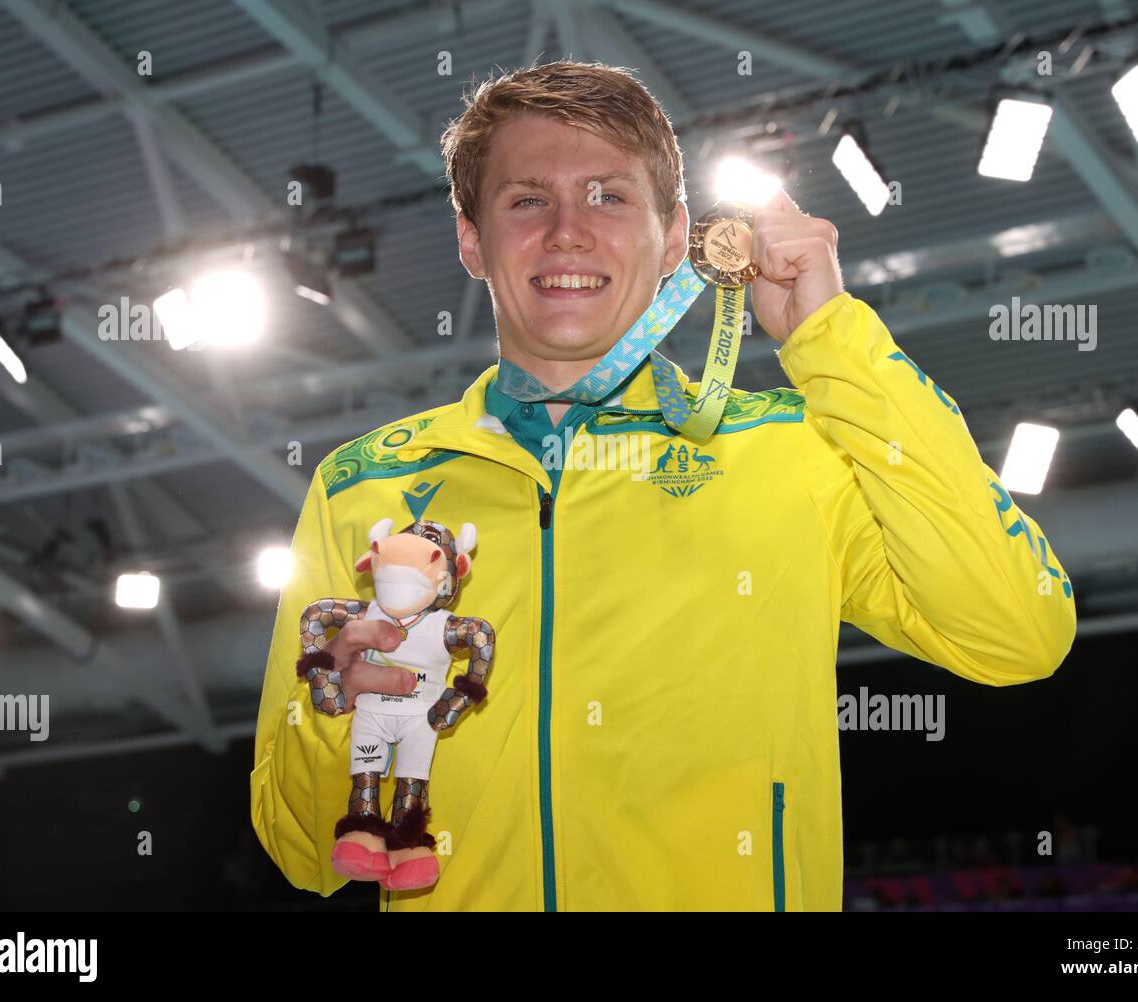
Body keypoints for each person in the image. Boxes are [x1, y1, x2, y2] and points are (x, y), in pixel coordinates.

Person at [251, 60, 1076, 912]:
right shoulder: (364, 488)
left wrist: (832, 345)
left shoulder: (788, 451)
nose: (568, 232)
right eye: (527, 200)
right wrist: (330, 713)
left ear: (677, 239)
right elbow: (304, 853)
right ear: (472, 240)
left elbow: (1017, 631)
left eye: (608, 196)